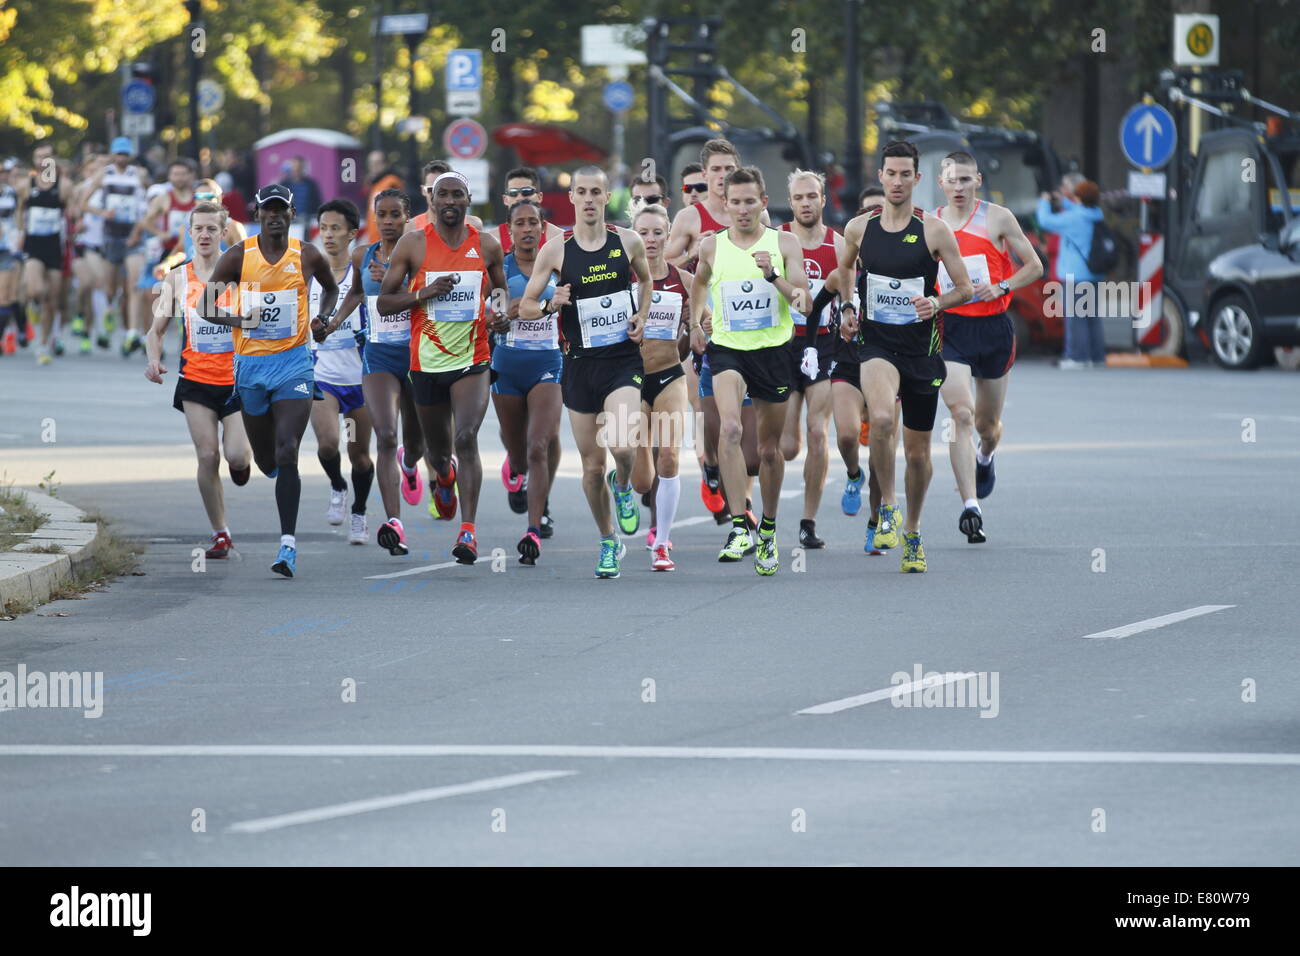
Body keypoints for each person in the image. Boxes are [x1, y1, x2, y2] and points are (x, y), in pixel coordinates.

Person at [828, 140, 972, 573]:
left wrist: (937, 303)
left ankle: (912, 530)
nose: (895, 181)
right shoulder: (859, 228)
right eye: (889, 173)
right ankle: (887, 507)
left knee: (917, 455)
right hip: (875, 344)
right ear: (881, 176)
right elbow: (845, 270)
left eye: (903, 174)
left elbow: (964, 288)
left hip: (921, 350)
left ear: (916, 178)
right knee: (883, 420)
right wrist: (849, 308)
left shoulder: (934, 230)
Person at [520, 165, 652, 579]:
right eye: (583, 192)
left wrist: (642, 316)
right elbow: (524, 306)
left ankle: (626, 486)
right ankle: (608, 540)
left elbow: (646, 282)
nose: (591, 199)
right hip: (579, 364)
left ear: (606, 196)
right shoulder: (556, 249)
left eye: (598, 191)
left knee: (623, 446)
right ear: (572, 197)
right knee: (592, 468)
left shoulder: (627, 240)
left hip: (622, 361)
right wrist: (549, 304)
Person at [201, 183, 340, 577]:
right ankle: (266, 465)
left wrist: (324, 318)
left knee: (287, 450)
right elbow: (205, 305)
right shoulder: (238, 256)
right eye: (268, 210)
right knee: (265, 459)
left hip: (294, 364)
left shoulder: (308, 255)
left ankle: (287, 546)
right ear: (257, 214)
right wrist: (239, 320)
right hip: (251, 367)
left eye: (282, 210)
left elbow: (330, 290)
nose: (275, 216)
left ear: (293, 215)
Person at [378, 170, 508, 565]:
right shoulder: (412, 245)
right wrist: (422, 294)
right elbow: (385, 302)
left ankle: (467, 531)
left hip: (473, 358)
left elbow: (499, 289)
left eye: (457, 195)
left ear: (469, 202)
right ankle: (444, 475)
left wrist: (499, 314)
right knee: (437, 454)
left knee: (466, 437)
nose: (450, 202)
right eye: (443, 196)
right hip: (427, 363)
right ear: (432, 203)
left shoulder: (485, 245)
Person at [690, 166, 810, 574]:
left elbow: (803, 301)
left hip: (774, 352)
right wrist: (695, 322)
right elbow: (700, 284)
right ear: (725, 204)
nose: (742, 210)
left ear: (763, 202)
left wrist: (772, 275)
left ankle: (769, 530)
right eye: (735, 202)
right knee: (730, 430)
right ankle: (741, 523)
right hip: (727, 351)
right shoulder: (711, 246)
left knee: (770, 451)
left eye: (750, 202)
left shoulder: (784, 242)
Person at [935, 151, 1043, 543]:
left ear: (977, 180)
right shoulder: (931, 223)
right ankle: (970, 506)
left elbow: (1034, 266)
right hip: (952, 329)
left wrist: (1002, 286)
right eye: (952, 180)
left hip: (994, 328)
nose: (959, 187)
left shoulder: (997, 217)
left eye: (966, 179)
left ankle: (986, 455)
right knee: (960, 414)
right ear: (940, 183)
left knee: (986, 425)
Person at [143, 201, 252, 558]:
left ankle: (241, 465)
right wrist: (154, 361)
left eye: (211, 229)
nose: (204, 235)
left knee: (236, 457)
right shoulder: (178, 278)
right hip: (196, 380)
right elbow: (155, 330)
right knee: (208, 455)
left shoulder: (241, 272)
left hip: (237, 379)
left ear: (224, 233)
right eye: (198, 229)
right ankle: (220, 533)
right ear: (189, 234)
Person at [349, 188, 426, 556]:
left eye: (396, 215)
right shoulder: (362, 255)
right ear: (374, 218)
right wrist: (331, 324)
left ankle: (410, 466)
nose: (389, 222)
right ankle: (395, 522)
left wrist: (399, 284)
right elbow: (354, 293)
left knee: (415, 442)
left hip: (417, 356)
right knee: (384, 435)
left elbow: (433, 294)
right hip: (378, 356)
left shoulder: (420, 252)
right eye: (383, 215)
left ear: (407, 217)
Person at [491, 200, 563, 563]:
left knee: (540, 444)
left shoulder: (555, 263)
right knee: (519, 453)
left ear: (542, 226)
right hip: (506, 365)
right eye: (520, 223)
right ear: (510, 230)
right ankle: (515, 468)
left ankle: (533, 529)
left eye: (533, 222)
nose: (527, 229)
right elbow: (491, 316)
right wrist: (505, 314)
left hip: (547, 364)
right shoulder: (499, 269)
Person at [780, 169, 846, 550]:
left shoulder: (838, 246)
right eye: (799, 198)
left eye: (812, 196)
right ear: (791, 202)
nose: (806, 203)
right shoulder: (778, 241)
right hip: (784, 345)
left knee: (819, 432)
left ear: (823, 200)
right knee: (788, 447)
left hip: (823, 345)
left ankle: (808, 521)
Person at [631, 204, 694, 571]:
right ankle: (620, 476)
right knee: (641, 480)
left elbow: (690, 345)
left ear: (668, 235)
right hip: (629, 381)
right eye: (643, 232)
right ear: (632, 236)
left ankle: (662, 543)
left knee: (669, 456)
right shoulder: (621, 278)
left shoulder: (683, 281)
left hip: (669, 375)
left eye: (657, 233)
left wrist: (692, 326)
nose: (651, 240)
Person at [307, 198, 372, 544]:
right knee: (329, 444)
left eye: (335, 229)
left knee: (359, 455)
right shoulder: (308, 275)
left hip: (360, 378)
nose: (328, 235)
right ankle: (336, 484)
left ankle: (359, 512)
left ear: (352, 233)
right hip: (323, 374)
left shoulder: (362, 271)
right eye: (324, 228)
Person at [85, 140, 147, 354]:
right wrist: (102, 213)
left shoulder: (138, 174)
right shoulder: (104, 174)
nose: (122, 157)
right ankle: (110, 309)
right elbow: (83, 203)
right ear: (113, 154)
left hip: (132, 237)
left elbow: (146, 205)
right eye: (118, 153)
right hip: (110, 237)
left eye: (125, 154)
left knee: (133, 286)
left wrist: (139, 230)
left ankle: (131, 333)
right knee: (110, 288)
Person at [1037, 178, 1105, 369]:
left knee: (1075, 318)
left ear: (1078, 197)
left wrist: (1044, 201)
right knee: (1091, 316)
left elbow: (1046, 221)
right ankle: (1096, 356)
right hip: (1093, 273)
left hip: (1075, 274)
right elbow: (1077, 209)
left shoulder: (1074, 218)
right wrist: (1063, 201)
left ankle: (1077, 357)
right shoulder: (1095, 214)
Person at [17, 143, 75, 364]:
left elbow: (72, 211)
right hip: (33, 243)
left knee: (52, 299)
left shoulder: (64, 186)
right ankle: (33, 305)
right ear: (34, 161)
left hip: (55, 245)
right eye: (39, 157)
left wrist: (74, 220)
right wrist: (20, 231)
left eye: (47, 157)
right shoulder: (26, 185)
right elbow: (20, 210)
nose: (43, 161)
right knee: (35, 289)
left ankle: (42, 344)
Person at [492, 166, 564, 252]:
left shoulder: (559, 237)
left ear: (539, 197)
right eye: (513, 193)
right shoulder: (492, 240)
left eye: (526, 191)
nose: (519, 198)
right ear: (505, 199)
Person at [0, 160, 22, 355]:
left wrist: (20, 236)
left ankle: (3, 337)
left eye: (5, 173)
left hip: (7, 248)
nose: (3, 176)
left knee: (5, 295)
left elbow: (20, 219)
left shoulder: (12, 194)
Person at [364, 151, 404, 243]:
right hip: (374, 239)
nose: (374, 166)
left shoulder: (391, 181)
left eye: (378, 163)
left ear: (386, 164)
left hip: (387, 240)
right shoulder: (376, 183)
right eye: (371, 163)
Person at [279, 157, 322, 240]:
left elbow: (317, 202)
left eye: (299, 167)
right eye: (294, 167)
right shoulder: (284, 184)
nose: (296, 170)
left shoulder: (311, 184)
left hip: (307, 222)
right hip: (289, 221)